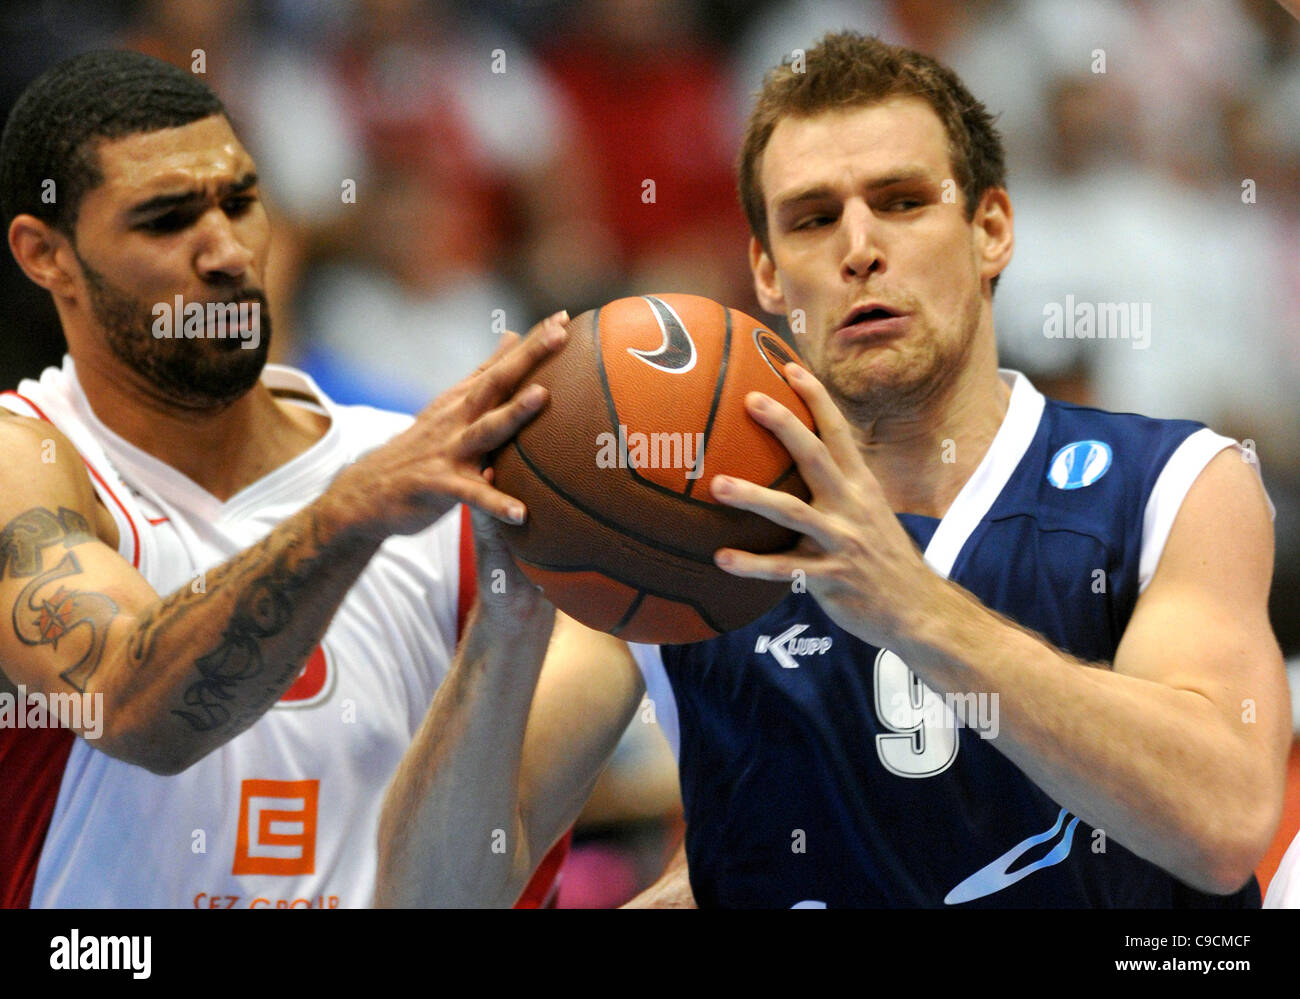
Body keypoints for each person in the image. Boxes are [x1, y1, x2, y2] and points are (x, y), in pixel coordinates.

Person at [375, 31, 1291, 908]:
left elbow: (1221, 823)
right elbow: (429, 896)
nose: (859, 247)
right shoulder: (686, 533)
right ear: (768, 276)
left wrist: (915, 605)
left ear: (992, 231)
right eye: (814, 220)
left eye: (900, 201)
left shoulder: (1171, 482)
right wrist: (506, 624)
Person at [0, 49, 569, 908]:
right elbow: (127, 703)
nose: (227, 252)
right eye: (165, 221)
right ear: (47, 255)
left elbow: (497, 861)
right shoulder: (28, 459)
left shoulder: (427, 480)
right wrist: (352, 511)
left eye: (241, 202)